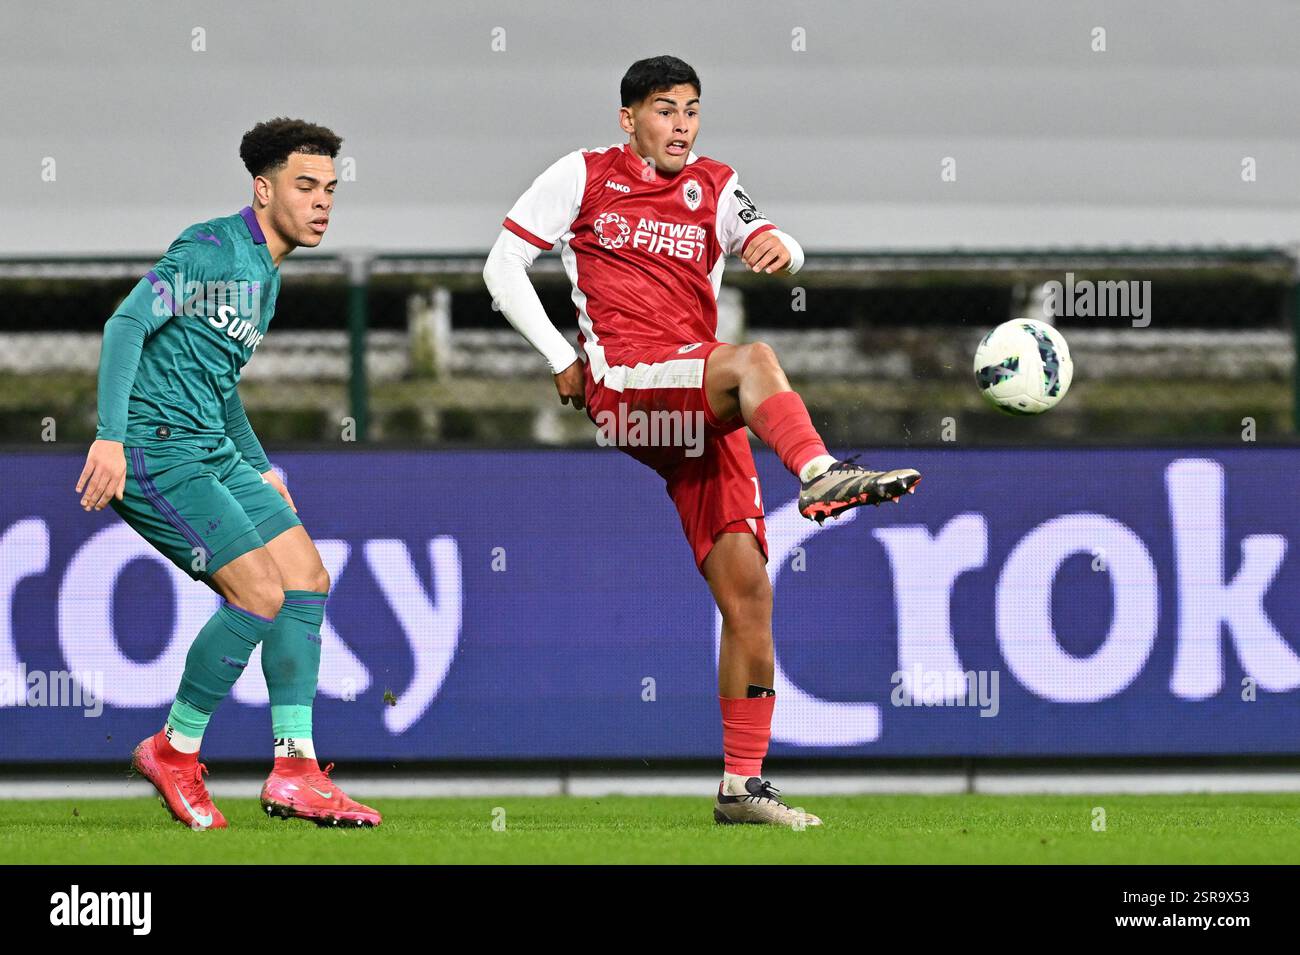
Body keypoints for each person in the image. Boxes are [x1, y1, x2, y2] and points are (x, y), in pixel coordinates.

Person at [483, 56, 920, 827]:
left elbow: (765, 230)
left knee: (750, 595)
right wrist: (560, 357)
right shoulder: (582, 175)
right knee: (754, 360)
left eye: (691, 110)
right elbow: (502, 265)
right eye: (663, 109)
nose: (681, 125)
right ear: (628, 119)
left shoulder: (714, 183)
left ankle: (740, 786)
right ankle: (816, 471)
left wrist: (783, 248)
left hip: (696, 403)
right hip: (628, 388)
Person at [76, 118, 380, 829]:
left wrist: (258, 466)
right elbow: (126, 325)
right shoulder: (212, 246)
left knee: (306, 576)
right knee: (259, 593)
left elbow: (218, 384)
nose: (321, 202)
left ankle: (295, 769)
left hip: (211, 448)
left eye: (330, 189)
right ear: (263, 188)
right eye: (305, 186)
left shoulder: (266, 277)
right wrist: (110, 439)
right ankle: (174, 749)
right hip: (156, 450)